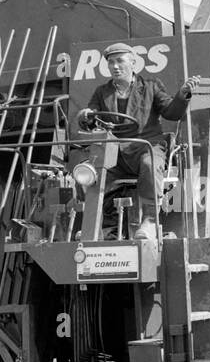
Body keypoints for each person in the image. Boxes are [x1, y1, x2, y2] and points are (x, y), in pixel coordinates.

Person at [80, 42, 198, 238]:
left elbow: (172, 112)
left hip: (147, 146)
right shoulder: (102, 92)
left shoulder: (152, 87)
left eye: (120, 61)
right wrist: (86, 116)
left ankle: (150, 221)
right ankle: (104, 228)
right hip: (116, 151)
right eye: (111, 62)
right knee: (90, 171)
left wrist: (183, 94)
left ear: (133, 63)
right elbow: (91, 119)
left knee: (149, 164)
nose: (115, 66)